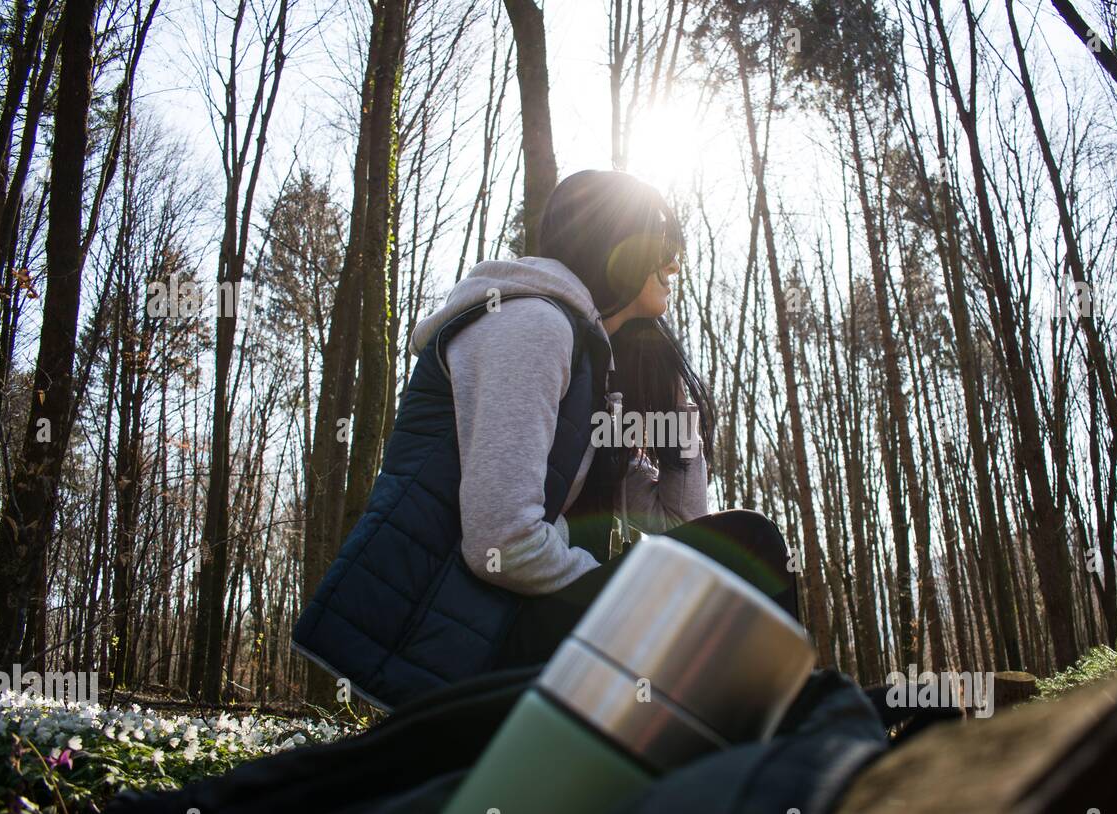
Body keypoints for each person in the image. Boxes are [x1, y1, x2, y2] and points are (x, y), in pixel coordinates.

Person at [293, 169, 800, 711]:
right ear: (617, 243)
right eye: (665, 243)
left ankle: (769, 733)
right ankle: (783, 741)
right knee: (754, 549)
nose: (676, 262)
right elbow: (502, 544)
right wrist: (621, 595)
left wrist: (678, 409)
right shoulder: (533, 324)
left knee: (737, 548)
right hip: (461, 643)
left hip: (501, 625)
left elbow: (679, 528)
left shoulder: (589, 362)